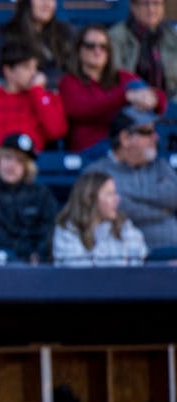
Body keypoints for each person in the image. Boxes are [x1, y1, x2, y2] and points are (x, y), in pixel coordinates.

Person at [60, 25, 166, 154]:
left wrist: (152, 98)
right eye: (90, 46)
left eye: (103, 47)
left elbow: (160, 101)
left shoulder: (122, 77)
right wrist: (124, 97)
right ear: (79, 49)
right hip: (92, 149)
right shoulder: (69, 81)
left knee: (137, 88)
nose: (97, 51)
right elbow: (81, 110)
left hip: (126, 146)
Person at [83, 107, 177, 249]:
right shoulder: (97, 172)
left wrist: (129, 194)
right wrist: (163, 210)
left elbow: (174, 196)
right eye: (147, 132)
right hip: (122, 257)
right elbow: (119, 210)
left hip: (171, 254)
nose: (156, 137)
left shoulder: (160, 166)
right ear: (125, 138)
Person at [0, 133, 58, 263]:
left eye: (19, 161)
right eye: (7, 158)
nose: (11, 166)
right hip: (1, 267)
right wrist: (27, 254)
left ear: (27, 167)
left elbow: (50, 229)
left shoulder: (42, 195)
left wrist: (39, 254)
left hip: (41, 264)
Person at [0, 0, 74, 89]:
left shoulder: (65, 32)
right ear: (26, 2)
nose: (47, 3)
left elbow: (75, 71)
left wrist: (48, 81)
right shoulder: (7, 34)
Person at [52, 170, 148, 266]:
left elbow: (137, 265)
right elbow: (78, 274)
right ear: (89, 198)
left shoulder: (125, 226)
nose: (117, 199)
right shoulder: (67, 230)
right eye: (110, 194)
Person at [109, 0, 177, 98]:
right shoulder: (115, 37)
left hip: (169, 103)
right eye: (145, 3)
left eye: (156, 3)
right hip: (130, 102)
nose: (151, 9)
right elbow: (114, 79)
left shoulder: (172, 36)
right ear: (133, 6)